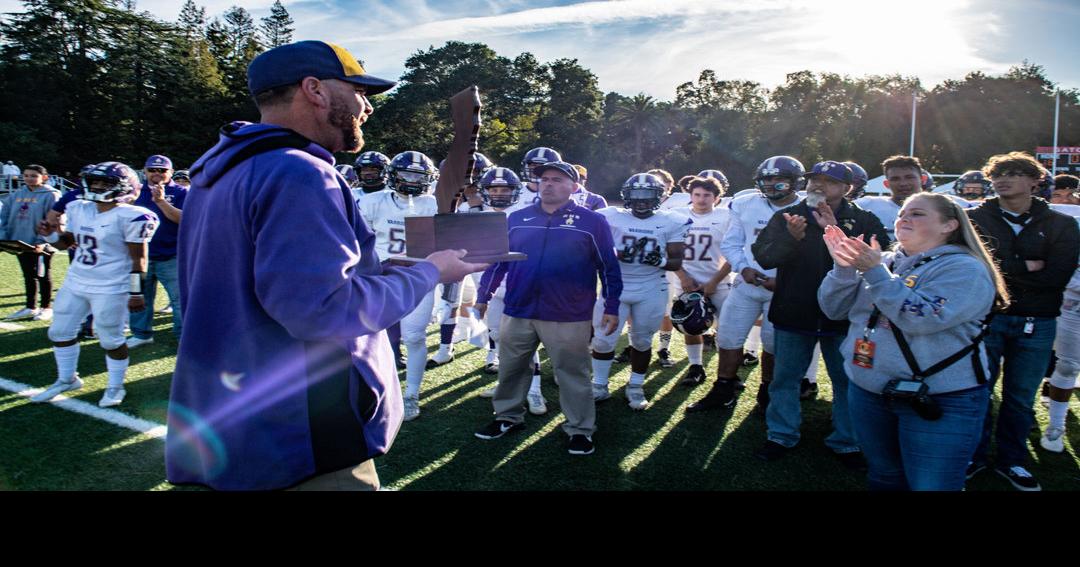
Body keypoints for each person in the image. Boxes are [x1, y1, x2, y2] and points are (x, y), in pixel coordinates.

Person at [165, 40, 482, 491]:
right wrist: (429, 272)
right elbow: (325, 310)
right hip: (301, 427)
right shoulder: (299, 172)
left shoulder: (219, 170)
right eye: (359, 92)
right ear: (314, 89)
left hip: (231, 412)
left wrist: (381, 270)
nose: (367, 107)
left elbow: (258, 279)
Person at [819, 192, 1007, 490]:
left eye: (917, 214)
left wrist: (874, 272)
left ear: (949, 225)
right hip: (869, 391)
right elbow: (834, 310)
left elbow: (920, 318)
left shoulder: (964, 269)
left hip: (940, 396)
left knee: (931, 485)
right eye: (902, 213)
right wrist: (843, 268)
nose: (903, 218)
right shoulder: (884, 261)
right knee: (884, 476)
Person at [475, 160, 622, 455]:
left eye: (557, 179)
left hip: (568, 313)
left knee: (572, 372)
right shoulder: (516, 218)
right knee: (512, 367)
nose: (548, 184)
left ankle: (580, 429)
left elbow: (608, 266)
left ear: (574, 186)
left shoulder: (592, 221)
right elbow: (499, 261)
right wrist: (483, 295)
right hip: (519, 308)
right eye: (544, 180)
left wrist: (612, 304)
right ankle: (507, 416)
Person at [751, 161, 888, 465]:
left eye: (828, 181)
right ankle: (781, 435)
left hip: (844, 318)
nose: (818, 186)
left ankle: (846, 440)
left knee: (846, 380)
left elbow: (882, 257)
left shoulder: (863, 219)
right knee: (785, 379)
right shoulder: (788, 216)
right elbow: (763, 256)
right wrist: (790, 238)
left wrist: (833, 232)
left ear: (846, 188)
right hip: (794, 311)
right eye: (814, 179)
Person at [966, 151, 1080, 491]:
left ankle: (1011, 460)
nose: (1003, 179)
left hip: (1038, 320)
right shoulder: (972, 218)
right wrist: (1026, 265)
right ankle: (974, 456)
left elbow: (1057, 276)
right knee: (976, 392)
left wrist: (1003, 269)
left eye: (1014, 173)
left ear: (1035, 180)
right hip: (986, 317)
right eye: (998, 173)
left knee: (1020, 396)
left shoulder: (1062, 223)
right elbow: (972, 269)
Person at [31, 162, 159, 407]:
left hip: (112, 286)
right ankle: (67, 379)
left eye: (105, 183)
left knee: (111, 339)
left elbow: (139, 258)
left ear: (124, 187)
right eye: (95, 182)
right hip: (77, 280)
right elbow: (66, 243)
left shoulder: (133, 216)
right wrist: (49, 234)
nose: (98, 186)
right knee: (59, 332)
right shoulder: (78, 207)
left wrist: (136, 292)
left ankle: (115, 386)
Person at [688, 156, 804, 414]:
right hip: (747, 283)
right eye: (768, 179)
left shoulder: (809, 207)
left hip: (784, 290)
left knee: (773, 342)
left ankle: (767, 393)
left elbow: (813, 255)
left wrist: (785, 281)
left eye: (780, 179)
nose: (773, 184)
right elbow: (731, 243)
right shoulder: (745, 203)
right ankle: (723, 390)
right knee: (728, 336)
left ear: (795, 182)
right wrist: (745, 267)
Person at [590, 173, 688, 409]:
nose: (642, 200)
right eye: (636, 195)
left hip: (651, 286)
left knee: (642, 340)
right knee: (603, 340)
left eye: (648, 195)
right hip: (616, 286)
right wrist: (613, 255)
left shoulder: (672, 220)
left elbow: (676, 262)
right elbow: (591, 251)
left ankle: (635, 385)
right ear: (626, 196)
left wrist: (659, 260)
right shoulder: (609, 217)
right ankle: (600, 385)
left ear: (659, 196)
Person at [356, 150, 440, 422]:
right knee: (370, 335)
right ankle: (375, 389)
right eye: (407, 173)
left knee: (414, 335)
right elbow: (358, 241)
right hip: (381, 276)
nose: (412, 180)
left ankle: (412, 393)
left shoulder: (431, 203)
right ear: (393, 175)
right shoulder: (373, 202)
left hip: (418, 275)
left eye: (419, 175)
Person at [670, 176, 732, 386]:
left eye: (707, 195)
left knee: (728, 330)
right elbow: (665, 249)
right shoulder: (677, 216)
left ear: (717, 198)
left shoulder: (727, 217)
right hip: (687, 281)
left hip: (720, 281)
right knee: (690, 325)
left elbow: (735, 252)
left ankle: (728, 374)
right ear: (690, 196)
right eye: (697, 194)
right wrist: (683, 276)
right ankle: (696, 366)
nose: (701, 199)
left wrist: (714, 281)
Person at [127, 155, 186, 348]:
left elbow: (185, 219)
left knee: (179, 300)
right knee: (139, 296)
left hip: (172, 255)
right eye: (153, 169)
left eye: (162, 170)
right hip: (138, 257)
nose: (157, 174)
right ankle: (141, 334)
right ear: (144, 171)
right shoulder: (133, 191)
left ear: (170, 172)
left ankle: (183, 336)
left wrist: (161, 201)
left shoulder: (180, 192)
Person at [0, 164, 61, 321]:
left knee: (43, 274)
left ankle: (46, 307)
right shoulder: (17, 194)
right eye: (26, 175)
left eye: (33, 176)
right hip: (20, 241)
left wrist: (42, 241)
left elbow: (53, 220)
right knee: (28, 274)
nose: (29, 179)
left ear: (44, 177)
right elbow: (5, 216)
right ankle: (30, 307)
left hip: (41, 244)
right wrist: (4, 236)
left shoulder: (51, 194)